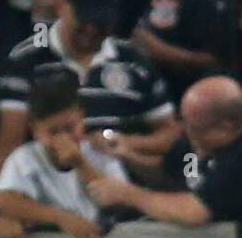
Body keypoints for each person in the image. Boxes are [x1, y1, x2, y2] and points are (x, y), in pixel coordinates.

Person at [0, 0, 179, 180]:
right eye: (83, 21)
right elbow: (9, 147)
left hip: (126, 193)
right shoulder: (25, 61)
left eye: (100, 23)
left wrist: (122, 141)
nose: (90, 30)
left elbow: (171, 134)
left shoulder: (134, 63)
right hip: (50, 191)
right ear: (62, 7)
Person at [0, 70, 127, 238]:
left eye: (70, 128)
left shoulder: (98, 151)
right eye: (53, 132)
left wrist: (80, 164)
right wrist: (61, 218)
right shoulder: (25, 157)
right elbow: (2, 201)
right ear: (35, 131)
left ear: (82, 118)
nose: (63, 138)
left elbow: (119, 204)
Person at [87, 74, 242, 224]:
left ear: (226, 127)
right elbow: (169, 175)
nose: (185, 131)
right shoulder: (193, 144)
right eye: (185, 121)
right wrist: (125, 155)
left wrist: (129, 194)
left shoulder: (235, 159)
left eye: (196, 127)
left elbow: (195, 211)